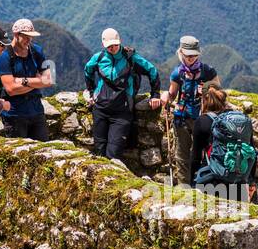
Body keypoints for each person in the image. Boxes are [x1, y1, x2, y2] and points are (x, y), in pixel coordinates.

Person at [83, 28, 161, 159]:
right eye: (109, 46)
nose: (112, 48)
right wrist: (91, 92)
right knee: (99, 151)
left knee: (113, 154)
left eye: (115, 45)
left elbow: (152, 71)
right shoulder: (99, 58)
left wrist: (155, 95)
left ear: (119, 42)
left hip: (122, 113)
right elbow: (87, 71)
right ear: (104, 45)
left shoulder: (131, 58)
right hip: (100, 109)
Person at [164, 35, 220, 184]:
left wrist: (207, 91)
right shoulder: (178, 73)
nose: (191, 58)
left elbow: (219, 93)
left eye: (194, 55)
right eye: (188, 55)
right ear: (181, 53)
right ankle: (184, 185)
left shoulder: (208, 72)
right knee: (182, 153)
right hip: (181, 118)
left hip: (203, 119)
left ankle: (201, 183)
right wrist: (166, 96)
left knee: (202, 152)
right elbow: (172, 94)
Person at [0, 18, 54, 140]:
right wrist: (38, 81)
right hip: (14, 115)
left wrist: (23, 81)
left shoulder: (37, 51)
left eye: (31, 37)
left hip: (37, 112)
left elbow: (49, 80)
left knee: (42, 152)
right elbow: (10, 89)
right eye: (26, 36)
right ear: (16, 35)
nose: (29, 40)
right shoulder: (4, 56)